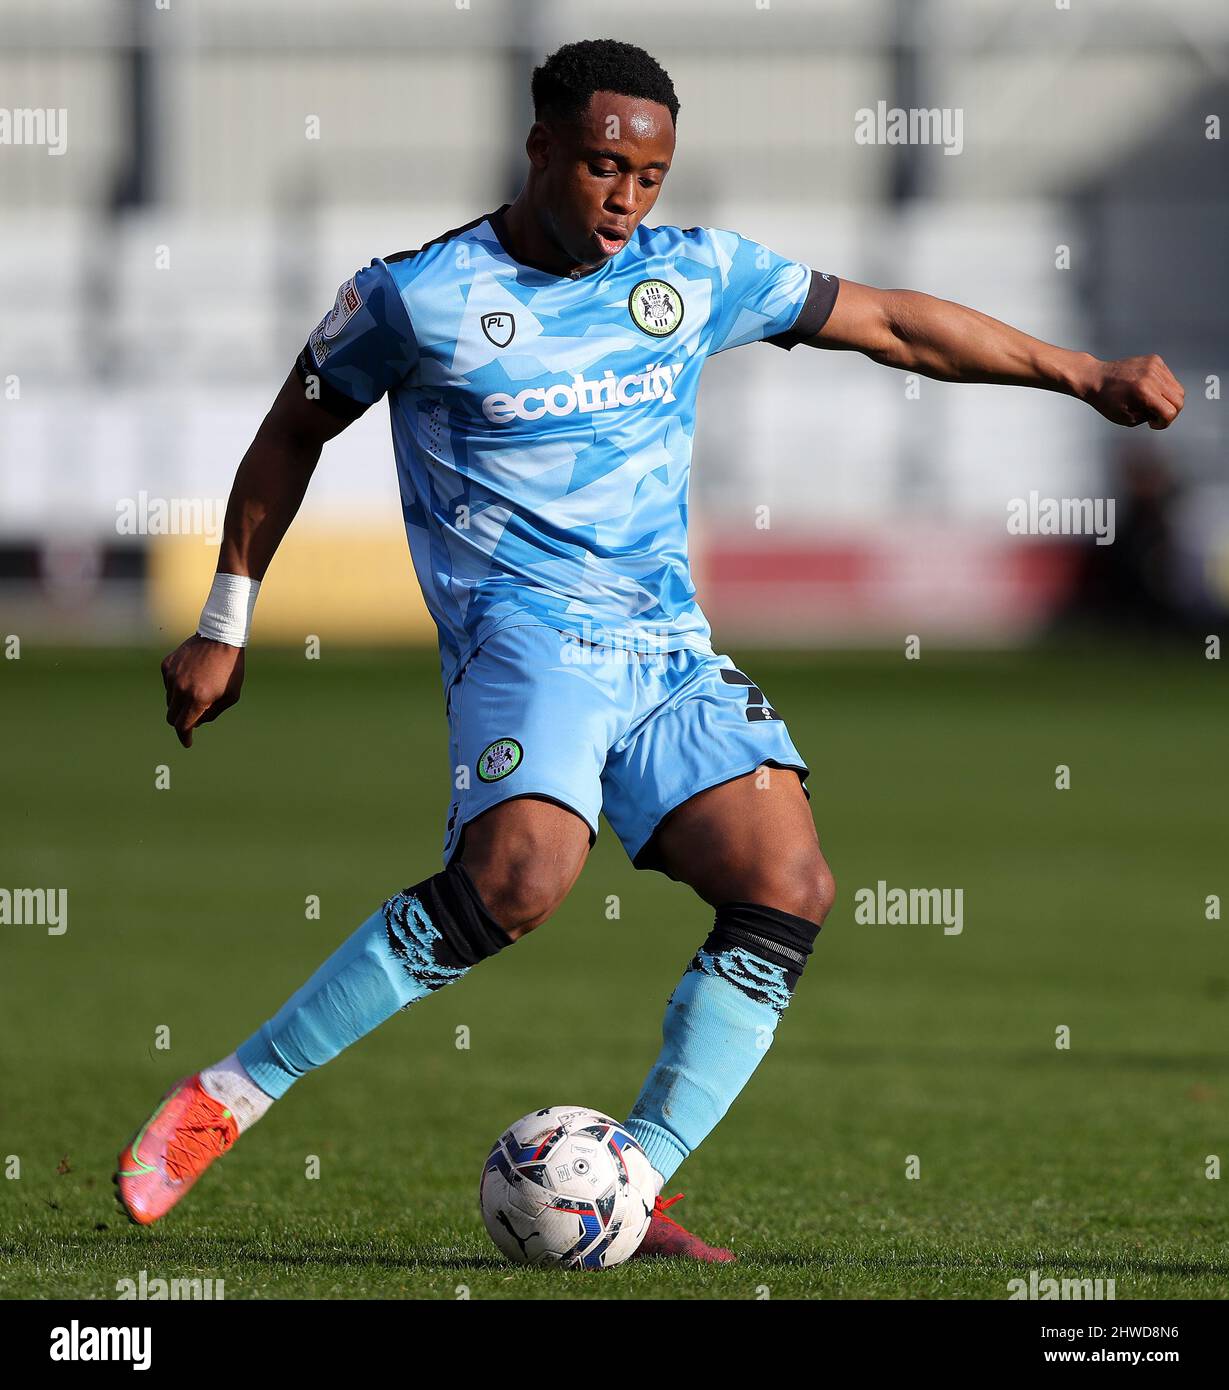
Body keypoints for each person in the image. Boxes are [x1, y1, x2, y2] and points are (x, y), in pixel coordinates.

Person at [117, 38, 1184, 1262]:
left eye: (650, 176)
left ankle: (633, 1182)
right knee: (517, 882)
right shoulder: (416, 296)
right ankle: (227, 1097)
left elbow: (887, 323)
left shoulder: (693, 275)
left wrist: (1080, 372)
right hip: (526, 640)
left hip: (667, 647)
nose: (625, 199)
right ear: (539, 151)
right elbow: (287, 437)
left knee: (787, 885)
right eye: (600, 167)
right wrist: (223, 621)